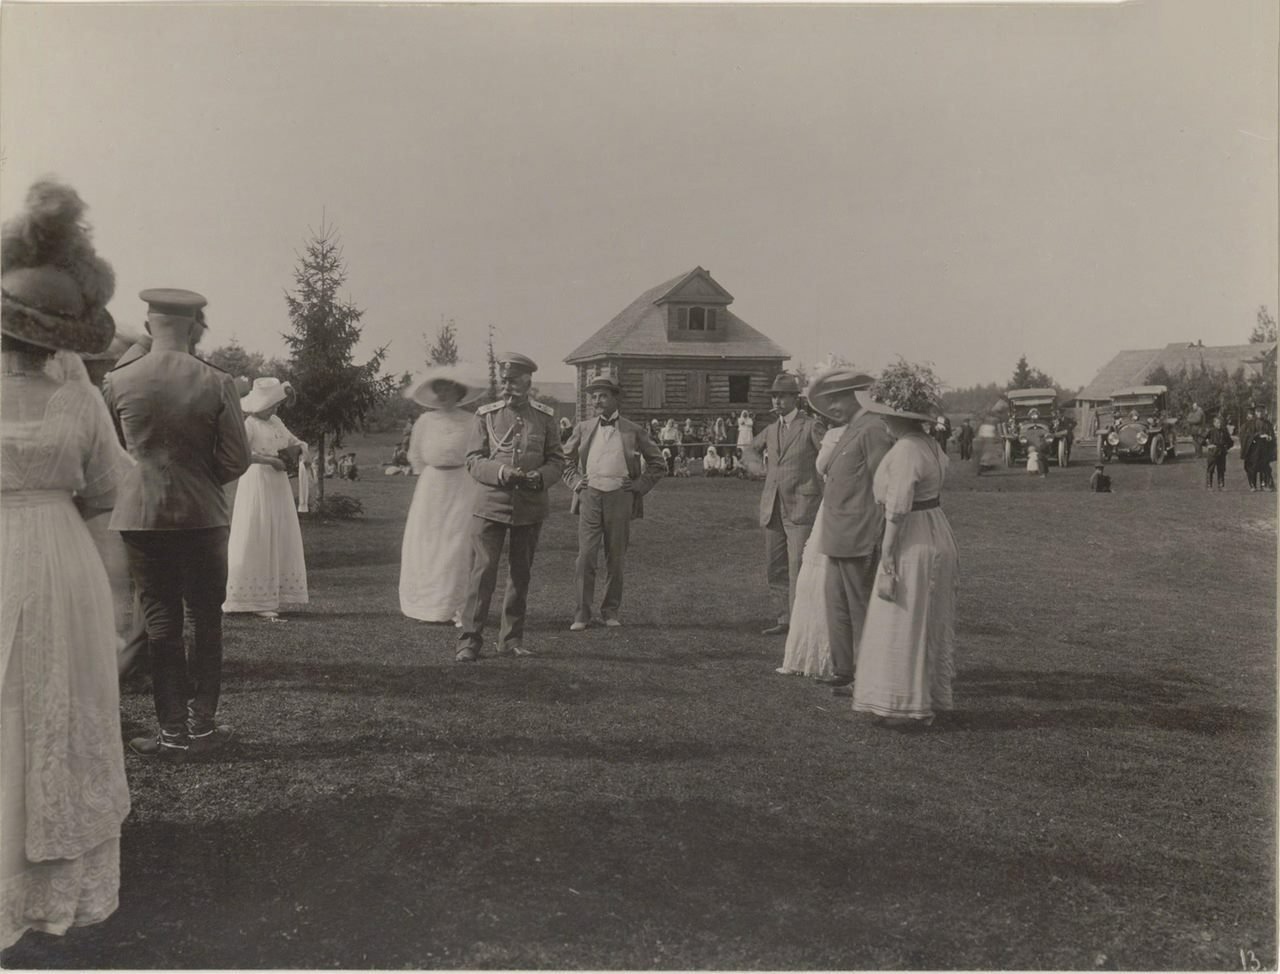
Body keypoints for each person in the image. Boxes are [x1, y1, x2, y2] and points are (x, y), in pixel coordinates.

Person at [0, 179, 133, 950]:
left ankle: (53, 875)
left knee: (51, 702)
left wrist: (113, 599)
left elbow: (105, 499)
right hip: (40, 554)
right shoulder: (76, 398)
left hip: (59, 566)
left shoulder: (79, 400)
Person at [104, 287, 251, 761]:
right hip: (204, 517)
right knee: (205, 619)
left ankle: (171, 735)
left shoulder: (119, 380)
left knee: (161, 622)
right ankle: (203, 728)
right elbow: (236, 459)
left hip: (141, 517)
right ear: (192, 327)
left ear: (149, 327)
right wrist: (200, 481)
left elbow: (107, 455)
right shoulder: (217, 380)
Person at [850, 363, 958, 729]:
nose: (881, 421)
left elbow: (898, 508)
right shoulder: (928, 444)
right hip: (935, 529)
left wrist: (888, 556)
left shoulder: (907, 450)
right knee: (926, 616)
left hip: (913, 535)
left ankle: (901, 703)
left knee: (902, 613)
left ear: (898, 417)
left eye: (884, 414)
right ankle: (917, 696)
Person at [456, 352, 565, 660]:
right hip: (490, 504)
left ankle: (510, 639)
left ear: (529, 381)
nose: (508, 387)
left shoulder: (545, 417)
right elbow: (473, 461)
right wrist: (502, 473)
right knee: (483, 572)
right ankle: (469, 640)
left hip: (529, 507)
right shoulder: (486, 415)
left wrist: (540, 477)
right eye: (504, 381)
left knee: (520, 574)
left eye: (514, 381)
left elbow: (557, 460)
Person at [810, 367, 892, 695]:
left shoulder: (872, 428)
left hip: (858, 532)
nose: (832, 407)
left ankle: (867, 674)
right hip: (837, 531)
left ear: (855, 395)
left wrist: (878, 533)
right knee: (836, 604)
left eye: (836, 399)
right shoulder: (850, 428)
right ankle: (843, 668)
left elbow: (882, 485)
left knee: (860, 608)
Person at [562, 376, 665, 630]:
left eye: (603, 396)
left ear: (615, 398)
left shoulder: (633, 430)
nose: (597, 401)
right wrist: (576, 482)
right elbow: (563, 459)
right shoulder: (583, 427)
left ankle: (610, 611)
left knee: (615, 557)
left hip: (620, 496)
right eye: (594, 396)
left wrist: (639, 486)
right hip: (590, 496)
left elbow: (658, 464)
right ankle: (582, 614)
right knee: (585, 556)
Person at [775, 368, 853, 678]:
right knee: (811, 576)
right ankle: (811, 648)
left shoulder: (825, 431)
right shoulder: (832, 434)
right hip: (826, 509)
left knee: (829, 577)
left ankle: (840, 656)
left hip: (829, 506)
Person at [399, 365, 484, 623]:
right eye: (440, 390)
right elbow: (415, 455)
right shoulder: (425, 421)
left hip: (462, 485)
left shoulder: (472, 421)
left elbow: (478, 454)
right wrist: (430, 477)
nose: (444, 394)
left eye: (449, 389)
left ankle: (455, 607)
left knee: (456, 545)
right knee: (427, 543)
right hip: (431, 487)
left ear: (458, 392)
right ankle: (425, 605)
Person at [222, 377, 309, 620]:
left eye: (276, 405)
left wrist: (301, 448)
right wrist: (269, 460)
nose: (275, 409)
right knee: (257, 531)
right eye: (272, 405)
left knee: (276, 531)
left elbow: (291, 440)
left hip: (277, 483)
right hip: (257, 480)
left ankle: (272, 594)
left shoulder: (276, 421)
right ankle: (249, 598)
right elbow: (241, 454)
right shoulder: (249, 424)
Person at [751, 373, 827, 636]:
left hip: (801, 507)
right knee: (776, 566)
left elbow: (829, 457)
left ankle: (800, 623)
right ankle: (783, 619)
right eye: (774, 396)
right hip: (772, 507)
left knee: (798, 567)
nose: (778, 400)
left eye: (782, 395)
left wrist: (821, 482)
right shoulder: (771, 429)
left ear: (795, 398)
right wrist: (758, 470)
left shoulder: (811, 426)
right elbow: (749, 450)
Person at [1202, 415, 1232, 491]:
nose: (1219, 424)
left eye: (1220, 423)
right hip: (1213, 452)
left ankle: (1221, 485)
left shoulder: (1224, 431)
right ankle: (1209, 485)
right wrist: (1208, 445)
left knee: (1221, 469)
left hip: (1222, 452)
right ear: (1214, 423)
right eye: (1218, 423)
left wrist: (1226, 447)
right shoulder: (1211, 431)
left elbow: (1230, 442)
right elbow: (1202, 440)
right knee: (1211, 469)